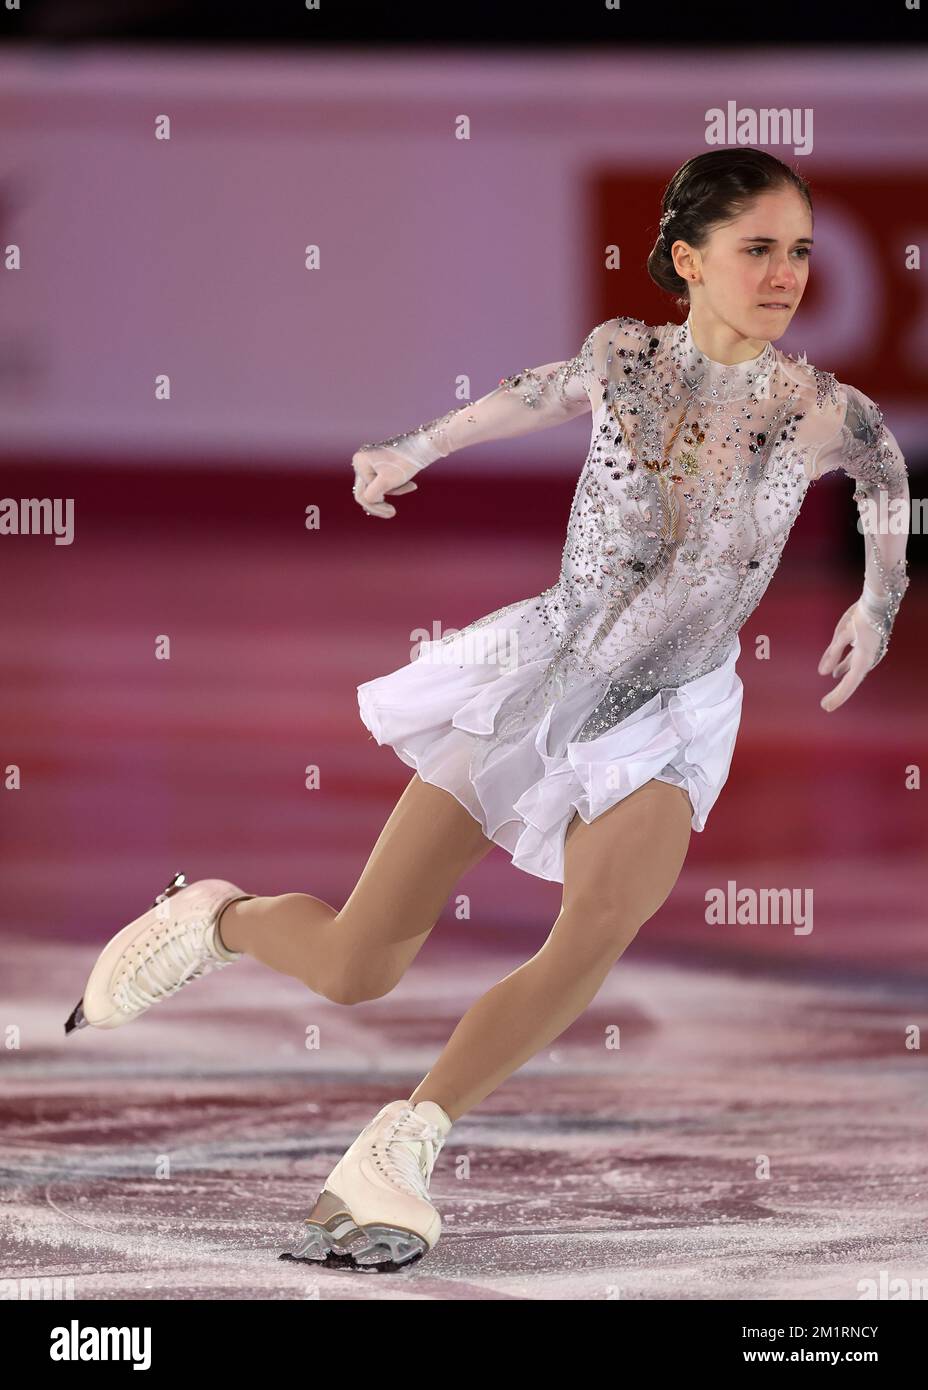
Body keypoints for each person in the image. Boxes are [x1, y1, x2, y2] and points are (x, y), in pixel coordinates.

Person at [64, 149, 910, 1271]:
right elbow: (534, 393)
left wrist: (878, 600)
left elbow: (886, 470)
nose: (786, 273)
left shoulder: (814, 407)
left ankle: (400, 1148)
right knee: (358, 964)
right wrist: (409, 446)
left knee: (597, 927)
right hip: (539, 679)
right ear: (687, 259)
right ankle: (214, 917)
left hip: (670, 713)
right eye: (756, 248)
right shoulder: (625, 360)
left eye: (798, 250)